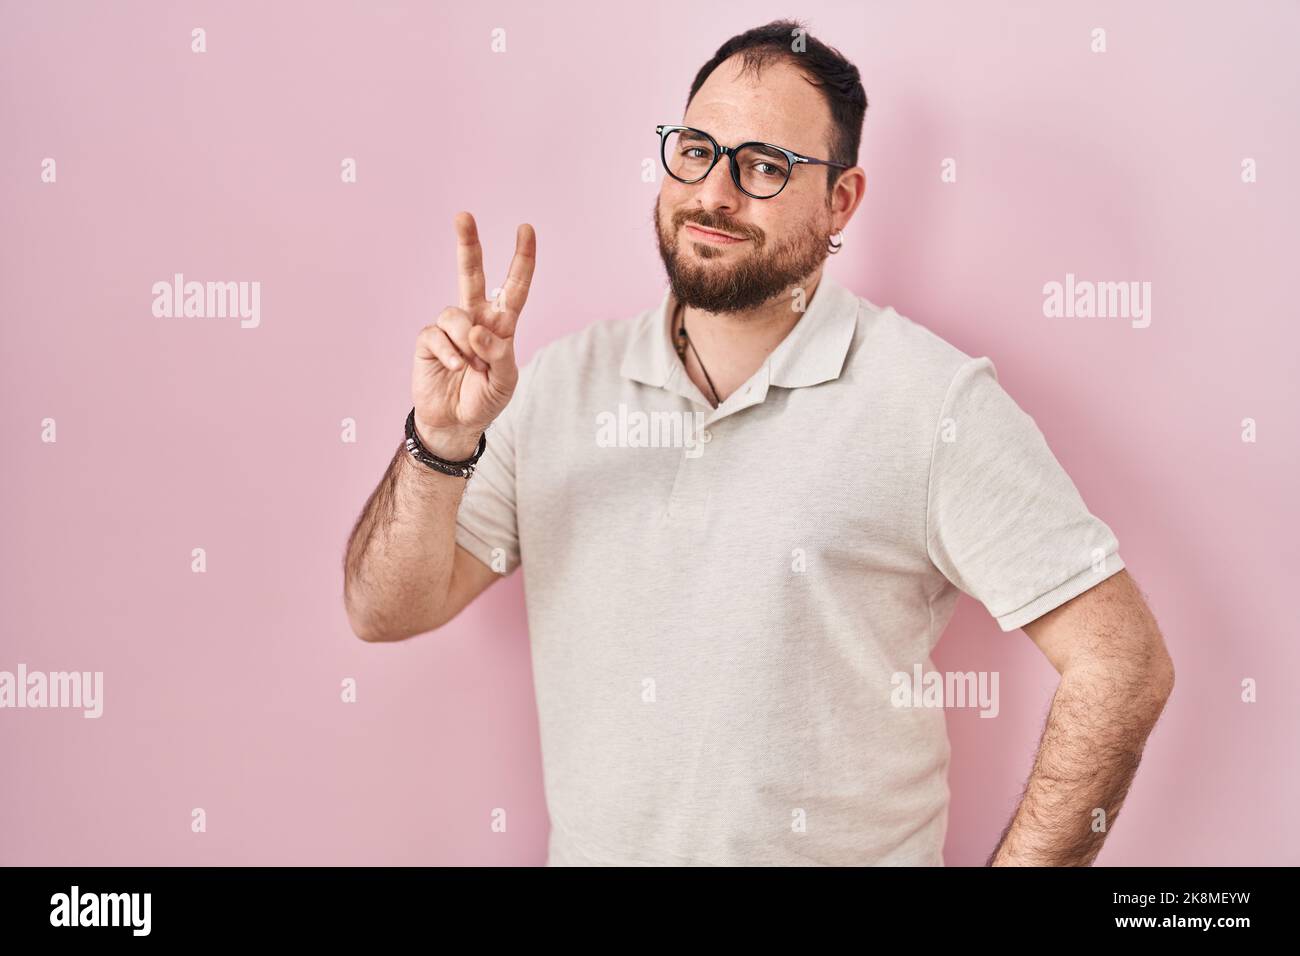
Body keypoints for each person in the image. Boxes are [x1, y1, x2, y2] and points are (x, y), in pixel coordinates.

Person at [343, 19, 1174, 867]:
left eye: (765, 166)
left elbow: (1123, 667)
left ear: (841, 201)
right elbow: (385, 611)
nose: (715, 194)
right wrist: (441, 441)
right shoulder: (554, 387)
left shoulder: (932, 403)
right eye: (696, 150)